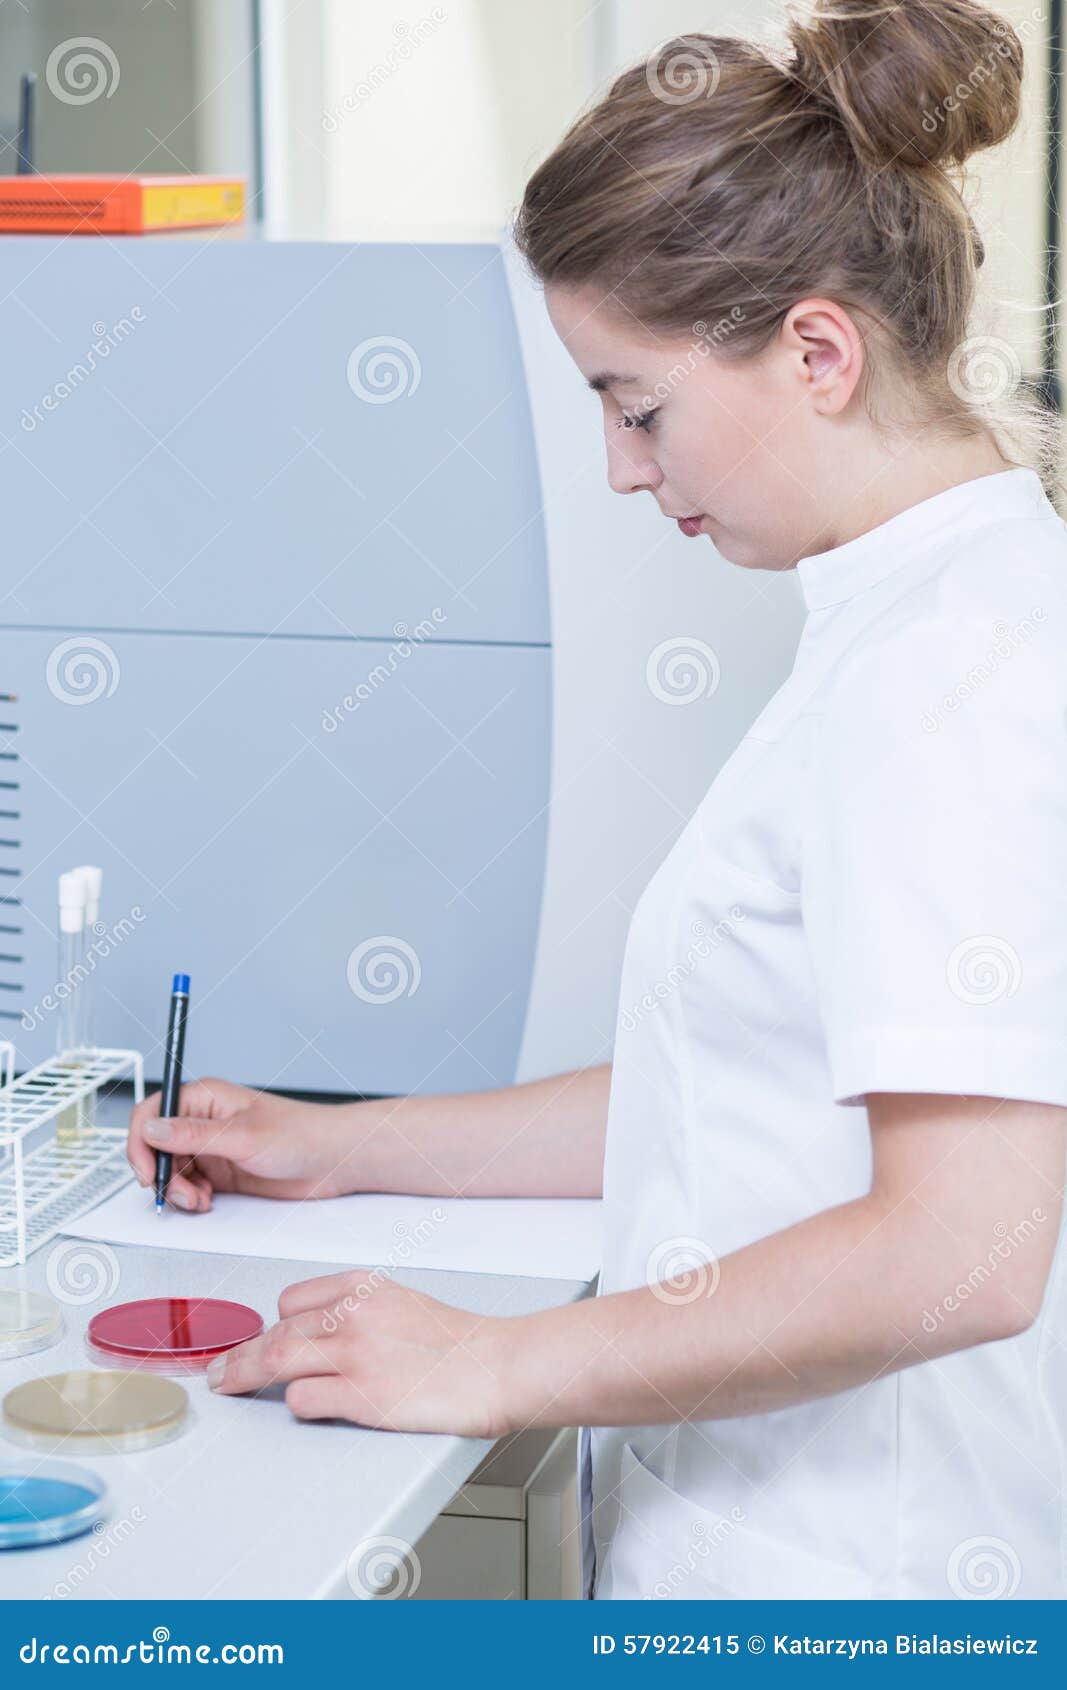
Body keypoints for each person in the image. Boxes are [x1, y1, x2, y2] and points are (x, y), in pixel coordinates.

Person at [127, 0, 1067, 1601]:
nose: (629, 473)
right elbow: (741, 1083)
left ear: (818, 352)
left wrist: (498, 1360)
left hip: (860, 1594)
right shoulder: (917, 621)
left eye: (636, 405)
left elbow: (963, 1252)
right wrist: (348, 1146)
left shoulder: (953, 669)